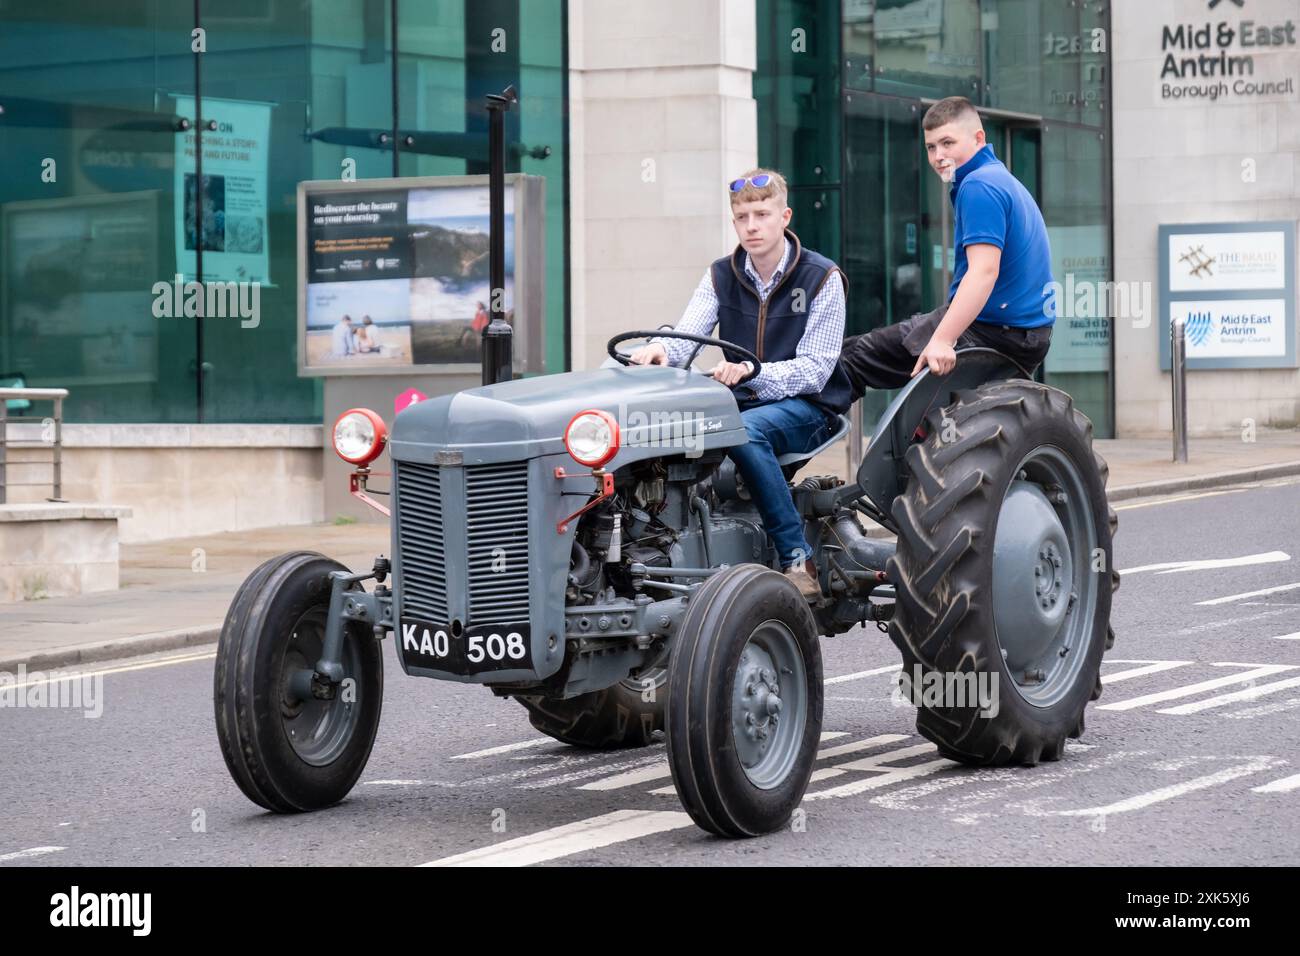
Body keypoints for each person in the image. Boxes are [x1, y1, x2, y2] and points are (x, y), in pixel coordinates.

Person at [630, 169, 854, 599]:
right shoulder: (721, 274)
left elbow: (816, 370)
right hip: (741, 400)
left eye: (762, 214)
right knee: (658, 426)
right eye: (742, 216)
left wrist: (755, 373)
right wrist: (660, 349)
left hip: (811, 408)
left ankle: (795, 555)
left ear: (784, 216)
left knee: (745, 432)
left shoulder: (822, 278)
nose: (751, 225)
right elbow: (687, 334)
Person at [839, 96, 1055, 392]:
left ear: (978, 138)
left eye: (947, 143)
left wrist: (942, 339)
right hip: (1022, 333)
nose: (938, 155)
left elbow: (983, 272)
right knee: (858, 353)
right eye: (931, 147)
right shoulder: (998, 178)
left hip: (995, 332)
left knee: (849, 360)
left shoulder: (979, 185)